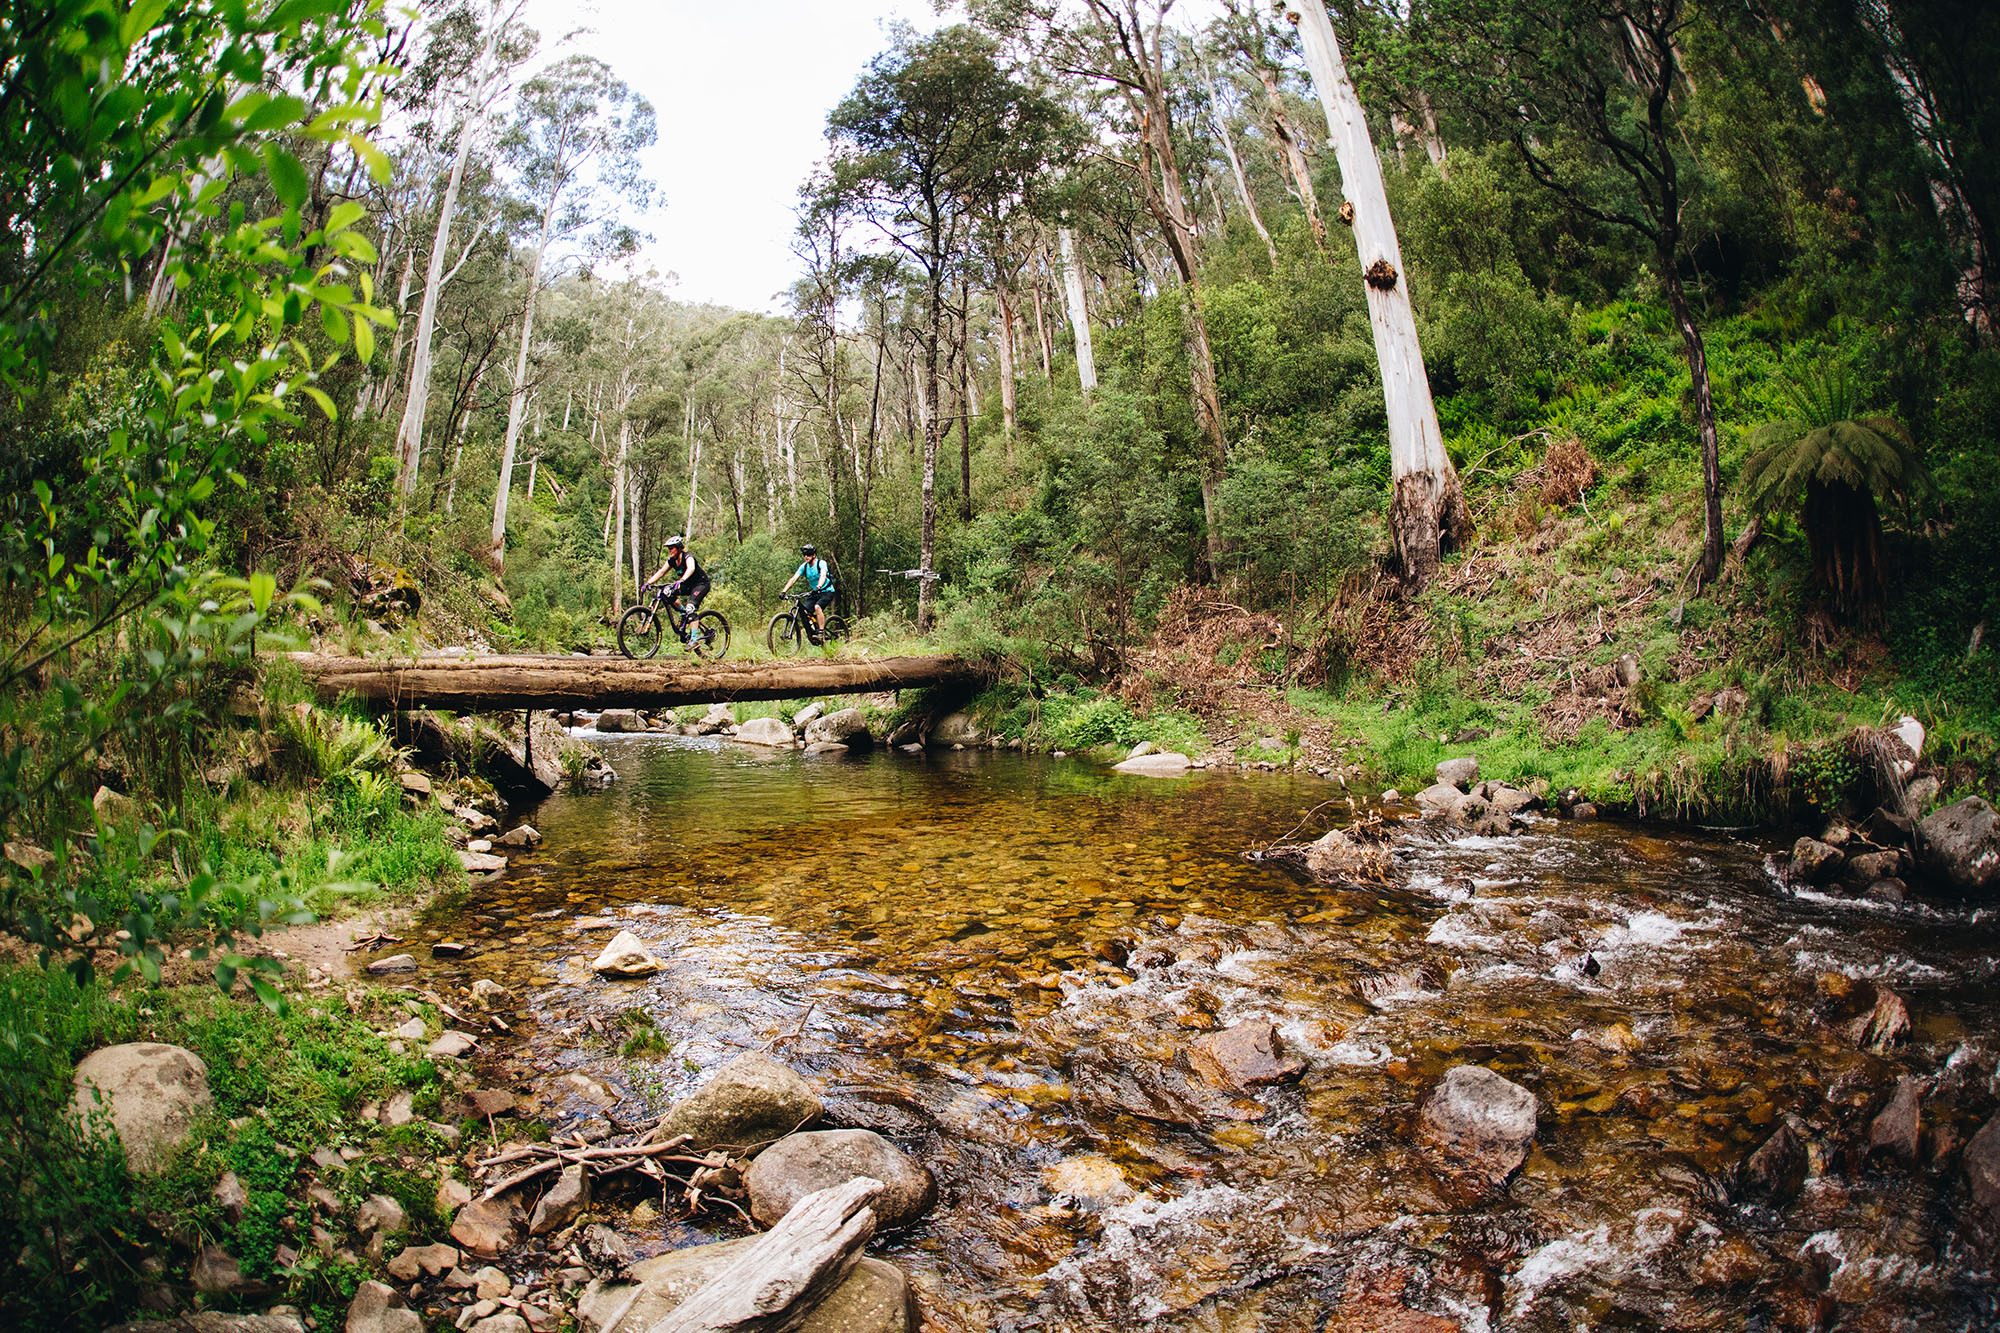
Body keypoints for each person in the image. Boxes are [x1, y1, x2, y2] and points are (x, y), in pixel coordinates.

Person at [643, 535, 710, 643]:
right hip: (687, 585)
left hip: (700, 584)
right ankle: (683, 613)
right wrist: (648, 583)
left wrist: (681, 580)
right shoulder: (672, 561)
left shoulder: (688, 556)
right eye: (668, 549)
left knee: (691, 608)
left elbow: (691, 568)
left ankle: (694, 639)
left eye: (671, 548)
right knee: (667, 592)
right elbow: (661, 572)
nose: (669, 551)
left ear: (679, 548)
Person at [780, 543, 836, 636]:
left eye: (808, 554)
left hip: (827, 591)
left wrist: (818, 586)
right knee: (805, 611)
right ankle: (813, 629)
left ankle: (821, 631)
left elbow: (823, 575)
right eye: (805, 555)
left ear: (814, 555)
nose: (806, 557)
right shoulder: (804, 566)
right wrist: (784, 591)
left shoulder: (821, 563)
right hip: (815, 592)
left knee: (817, 607)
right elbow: (793, 579)